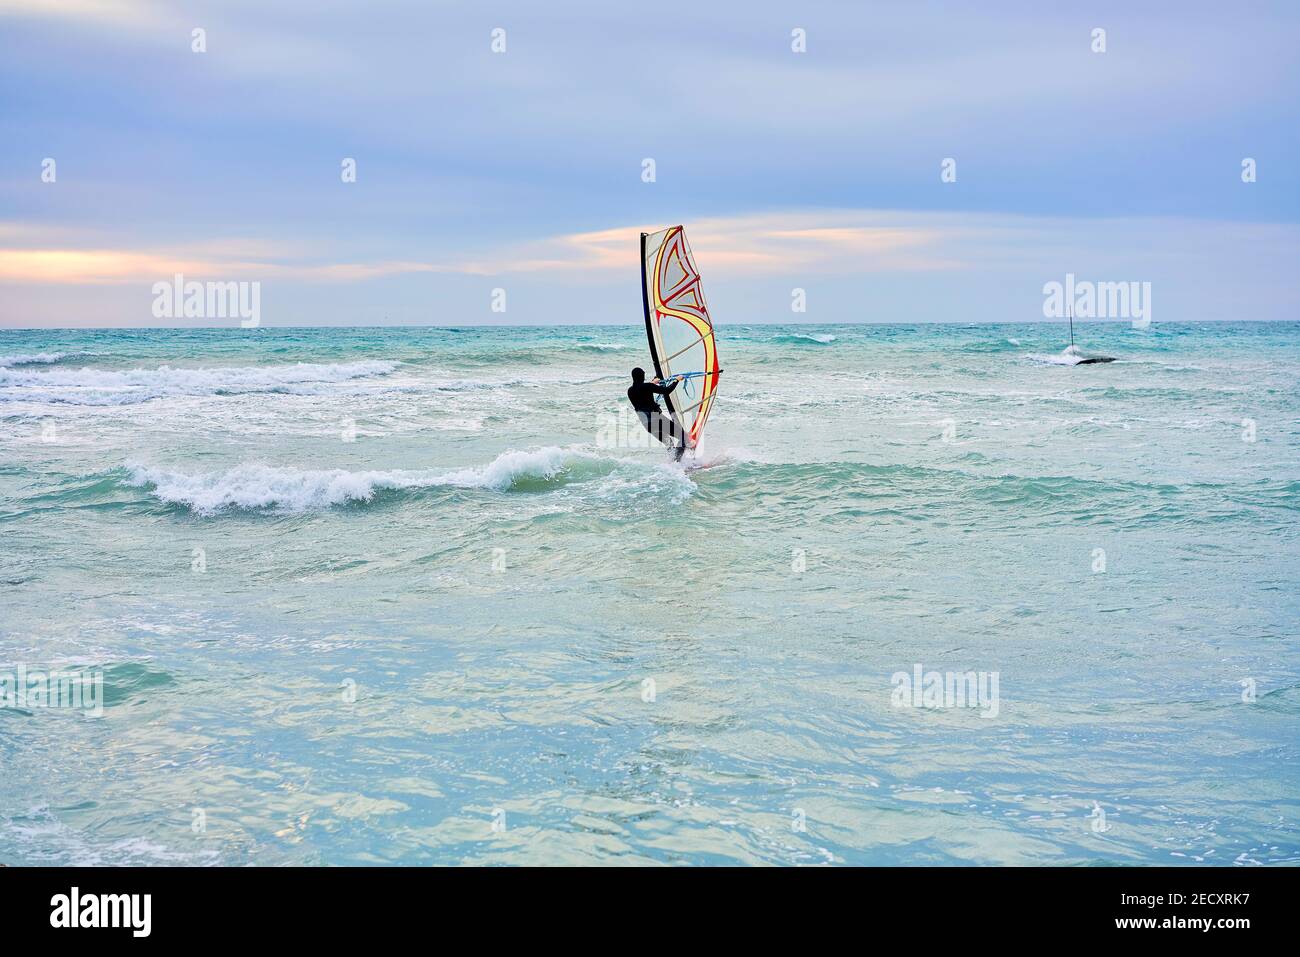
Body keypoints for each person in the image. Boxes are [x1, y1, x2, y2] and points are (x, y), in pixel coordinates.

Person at [627, 367, 686, 460]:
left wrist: (653, 383)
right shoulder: (647, 387)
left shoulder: (630, 391)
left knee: (669, 443)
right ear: (642, 376)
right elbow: (666, 391)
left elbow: (643, 390)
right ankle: (677, 462)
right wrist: (676, 380)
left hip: (647, 424)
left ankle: (674, 465)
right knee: (683, 437)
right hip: (657, 419)